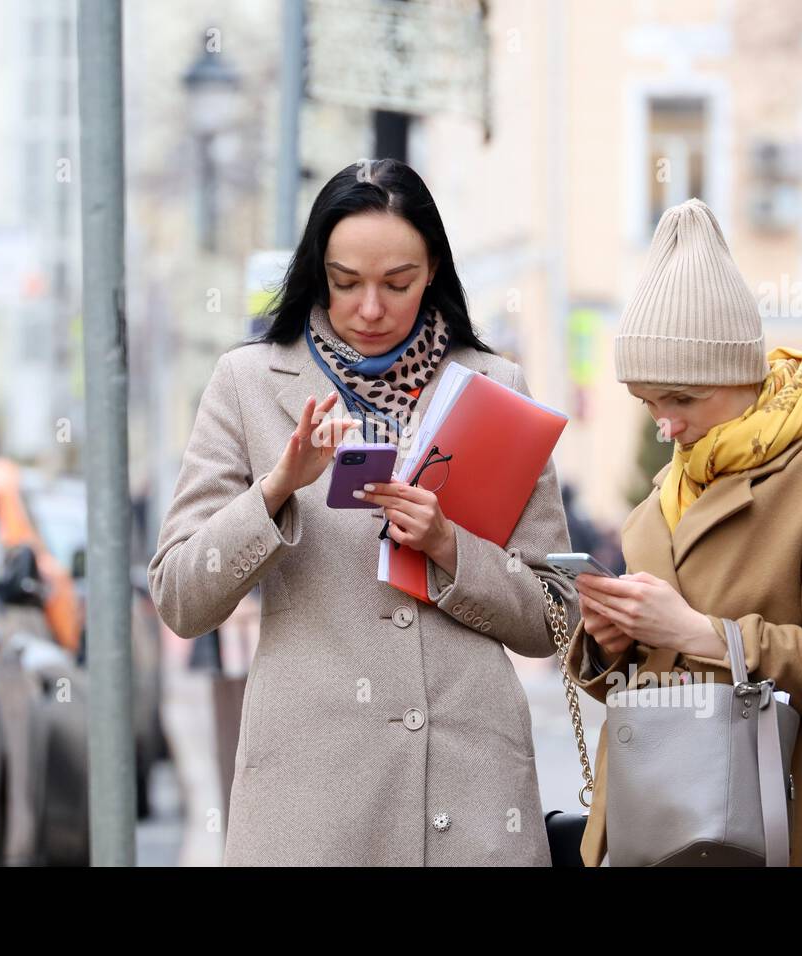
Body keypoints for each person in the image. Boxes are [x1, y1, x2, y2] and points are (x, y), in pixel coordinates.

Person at [148, 158, 581, 865]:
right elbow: (179, 597)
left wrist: (451, 547)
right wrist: (276, 489)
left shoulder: (497, 388)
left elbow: (552, 620)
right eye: (346, 283)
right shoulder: (249, 383)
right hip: (312, 808)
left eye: (398, 283)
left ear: (434, 267)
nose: (370, 309)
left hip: (467, 800)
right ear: (319, 270)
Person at [563, 198, 802, 866]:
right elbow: (640, 680)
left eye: (682, 399)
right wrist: (611, 643)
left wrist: (701, 633)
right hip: (644, 825)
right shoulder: (676, 481)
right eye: (647, 402)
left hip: (760, 826)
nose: (663, 425)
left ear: (742, 376)